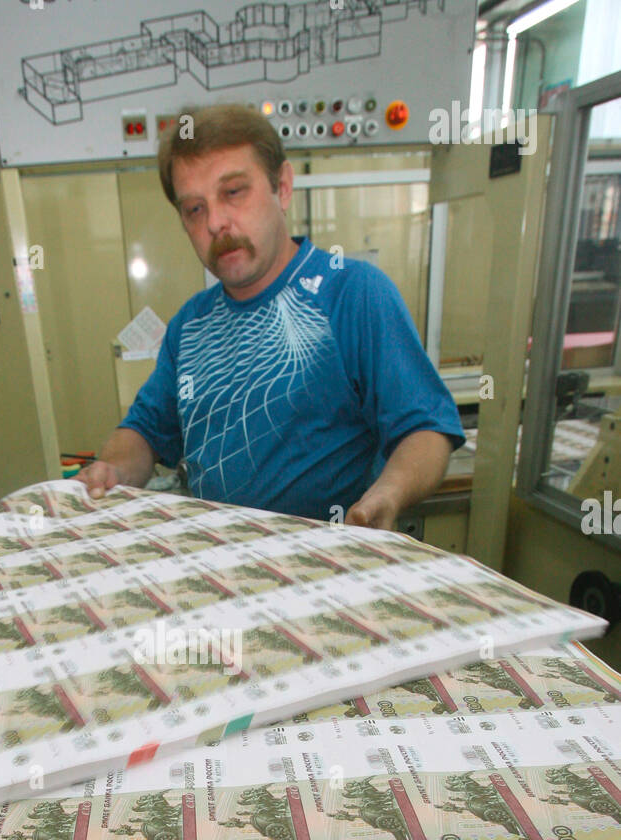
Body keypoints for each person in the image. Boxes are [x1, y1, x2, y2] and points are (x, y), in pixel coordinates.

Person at [78, 104, 464, 528]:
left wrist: (386, 496)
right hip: (222, 565)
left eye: (233, 192)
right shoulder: (190, 325)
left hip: (328, 566)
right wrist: (112, 470)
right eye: (194, 209)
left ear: (282, 187)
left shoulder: (352, 293)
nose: (216, 223)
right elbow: (145, 432)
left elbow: (426, 429)